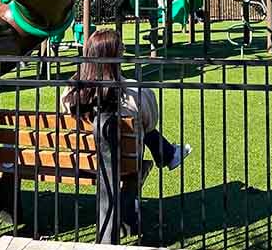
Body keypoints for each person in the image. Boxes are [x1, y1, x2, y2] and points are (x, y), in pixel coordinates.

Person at [61, 29, 191, 171]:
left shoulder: (70, 92)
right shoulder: (134, 93)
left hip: (83, 163)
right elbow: (151, 123)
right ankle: (169, 155)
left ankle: (169, 154)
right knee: (140, 125)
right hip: (123, 165)